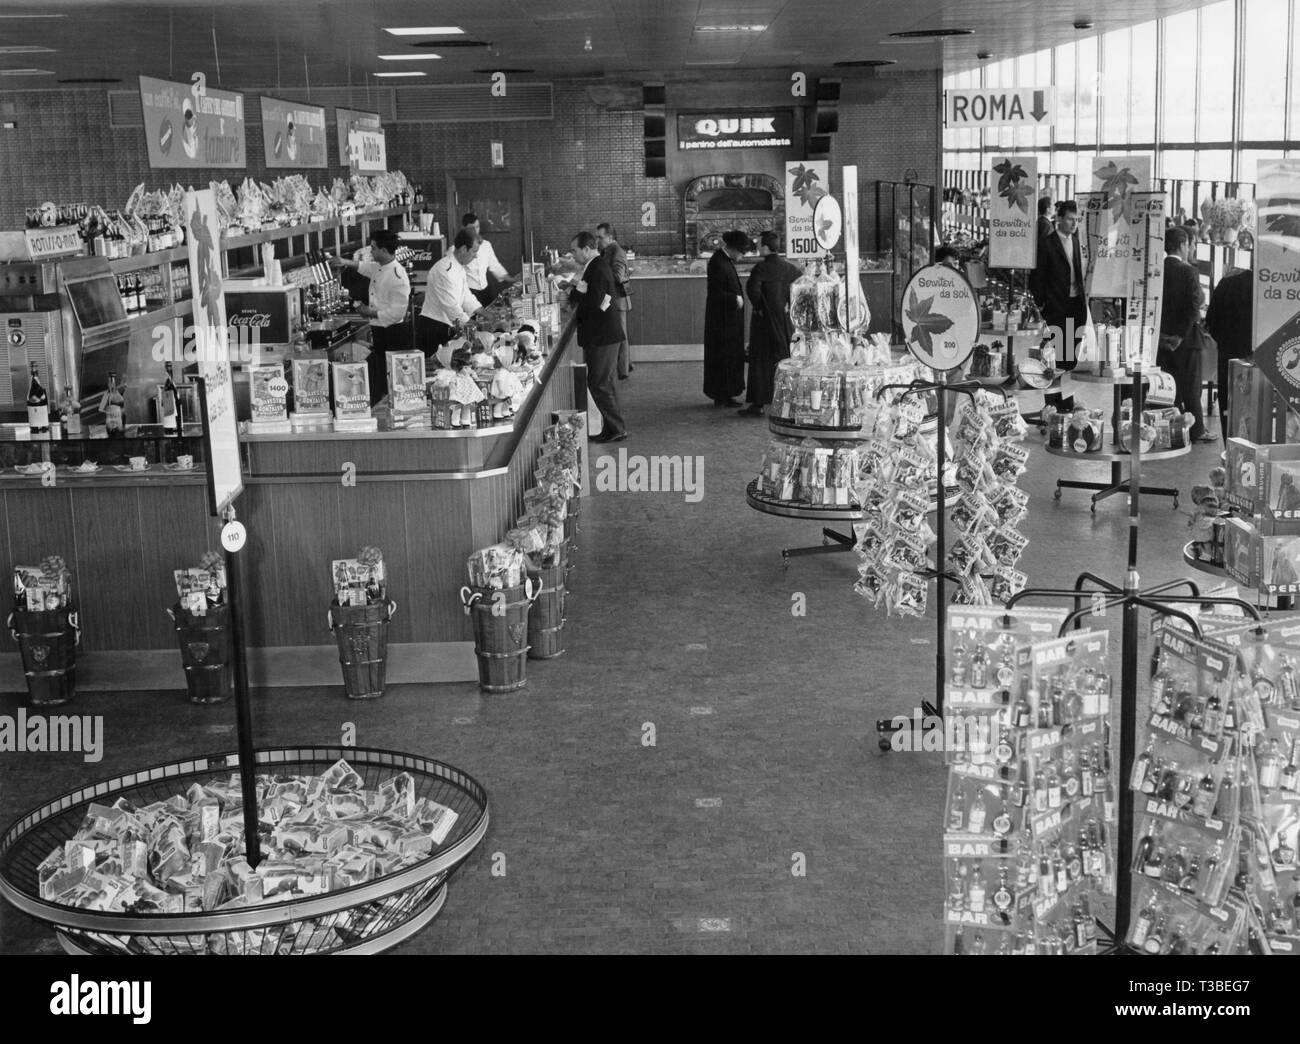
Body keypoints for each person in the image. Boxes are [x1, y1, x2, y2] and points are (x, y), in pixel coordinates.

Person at [329, 229, 410, 405]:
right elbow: (366, 268)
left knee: (389, 376)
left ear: (383, 250)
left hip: (393, 333)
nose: (371, 252)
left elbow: (398, 313)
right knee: (380, 374)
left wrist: (369, 312)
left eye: (373, 248)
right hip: (381, 330)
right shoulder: (381, 266)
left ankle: (386, 406)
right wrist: (344, 262)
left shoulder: (398, 276)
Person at [569, 230, 627, 443]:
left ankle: (617, 427)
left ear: (586, 249)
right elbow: (585, 292)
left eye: (574, 250)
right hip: (604, 334)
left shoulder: (597, 267)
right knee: (605, 383)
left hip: (603, 335)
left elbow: (595, 300)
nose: (573, 255)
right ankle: (612, 427)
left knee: (598, 383)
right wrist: (573, 293)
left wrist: (576, 300)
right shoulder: (593, 266)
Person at [1028, 200, 1086, 410]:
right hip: (1055, 309)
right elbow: (1036, 278)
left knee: (1069, 358)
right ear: (1059, 218)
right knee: (1054, 357)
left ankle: (1066, 401)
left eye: (1077, 219)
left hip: (1075, 307)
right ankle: (1053, 405)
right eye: (1070, 219)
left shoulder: (1078, 242)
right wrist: (1042, 306)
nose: (1074, 223)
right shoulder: (1047, 244)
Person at [1158, 225, 1212, 442]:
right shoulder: (1188, 271)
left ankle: (1171, 429)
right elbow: (1193, 308)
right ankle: (1197, 430)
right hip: (1186, 340)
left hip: (1162, 340)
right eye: (1189, 244)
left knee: (1167, 387)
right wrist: (1180, 335)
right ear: (1181, 245)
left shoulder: (1157, 270)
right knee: (1191, 387)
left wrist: (1164, 335)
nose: (1190, 248)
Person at [739, 231, 802, 417]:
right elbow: (800, 288)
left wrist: (759, 308)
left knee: (760, 361)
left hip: (764, 322)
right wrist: (789, 307)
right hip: (785, 321)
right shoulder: (791, 269)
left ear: (766, 247)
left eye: (760, 245)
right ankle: (787, 402)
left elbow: (753, 290)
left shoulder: (760, 269)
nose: (758, 248)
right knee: (784, 358)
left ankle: (758, 403)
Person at [1204, 265, 1253, 442]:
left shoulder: (1226, 283)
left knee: (1229, 403)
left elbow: (1211, 321)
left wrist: (1226, 341)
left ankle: (1231, 448)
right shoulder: (1268, 287)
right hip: (1259, 356)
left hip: (1229, 354)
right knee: (1259, 404)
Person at [703, 229, 750, 407]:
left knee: (727, 357)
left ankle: (726, 393)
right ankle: (723, 394)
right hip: (722, 322)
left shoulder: (721, 260)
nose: (742, 256)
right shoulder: (719, 262)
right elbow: (715, 292)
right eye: (742, 252)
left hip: (726, 320)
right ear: (733, 249)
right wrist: (734, 298)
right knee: (724, 357)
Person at [418, 228, 481, 358]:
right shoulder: (444, 270)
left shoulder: (459, 267)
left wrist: (485, 313)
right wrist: (471, 324)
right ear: (464, 249)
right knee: (436, 370)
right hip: (434, 328)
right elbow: (451, 306)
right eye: (474, 252)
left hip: (448, 326)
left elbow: (466, 296)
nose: (476, 256)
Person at [596, 222, 633, 379]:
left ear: (610, 237)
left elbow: (618, 275)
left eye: (600, 237)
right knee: (619, 335)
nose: (598, 240)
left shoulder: (617, 251)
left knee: (621, 337)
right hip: (613, 299)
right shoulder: (607, 251)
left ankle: (623, 370)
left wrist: (600, 274)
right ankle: (625, 366)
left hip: (617, 300)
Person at [461, 212, 515, 308]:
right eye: (472, 228)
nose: (475, 230)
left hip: (485, 291)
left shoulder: (486, 245)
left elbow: (495, 266)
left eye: (477, 227)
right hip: (468, 292)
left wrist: (511, 279)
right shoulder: (457, 249)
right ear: (464, 229)